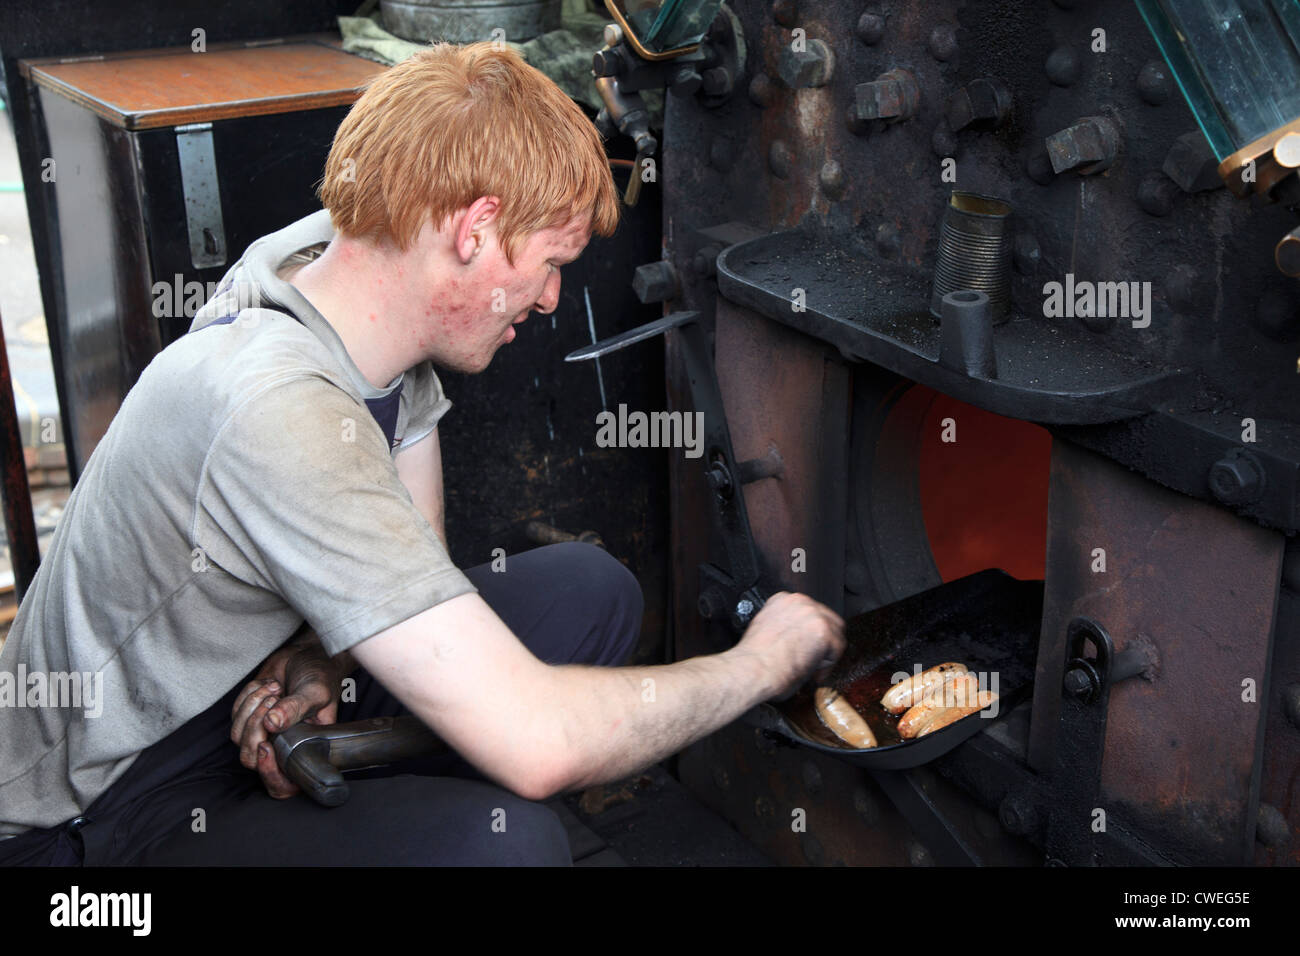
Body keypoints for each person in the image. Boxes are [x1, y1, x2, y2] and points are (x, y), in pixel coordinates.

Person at [0, 41, 843, 866]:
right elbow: (540, 744)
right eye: (551, 262)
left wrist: (317, 662)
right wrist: (759, 665)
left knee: (591, 596)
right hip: (100, 814)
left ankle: (391, 802)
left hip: (229, 696)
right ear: (475, 229)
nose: (552, 299)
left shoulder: (344, 270)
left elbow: (415, 555)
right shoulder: (276, 411)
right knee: (506, 847)